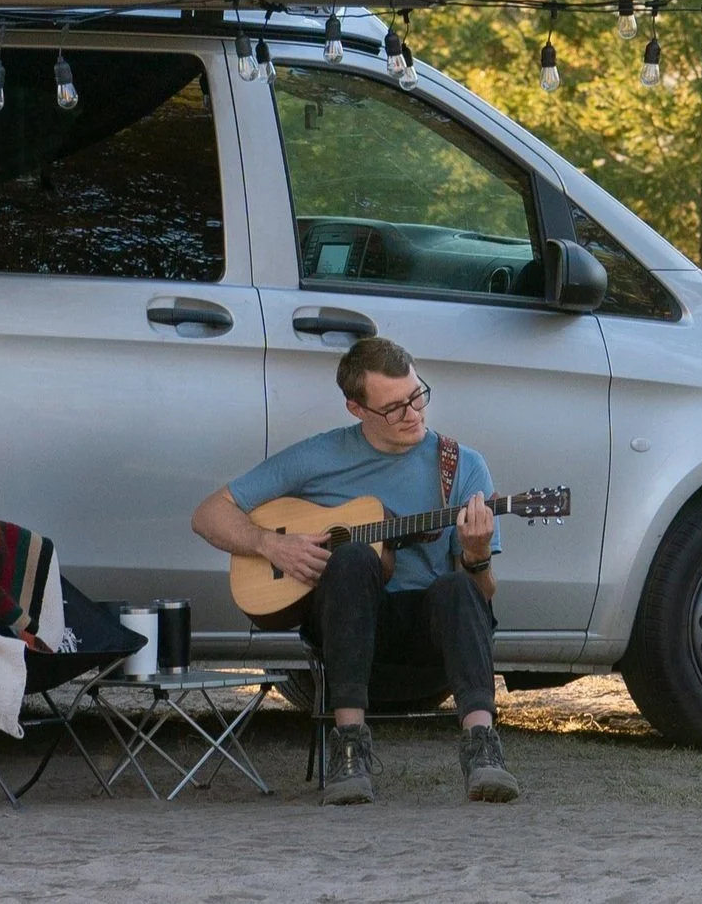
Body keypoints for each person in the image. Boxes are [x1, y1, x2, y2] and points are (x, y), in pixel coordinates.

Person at [190, 335, 520, 806]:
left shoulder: (462, 465)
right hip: (349, 627)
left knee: (457, 587)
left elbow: (482, 591)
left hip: (429, 636)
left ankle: (482, 749)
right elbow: (208, 514)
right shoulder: (318, 457)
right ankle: (349, 749)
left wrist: (477, 553)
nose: (413, 414)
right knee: (353, 558)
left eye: (417, 396)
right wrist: (271, 544)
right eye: (394, 408)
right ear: (355, 409)